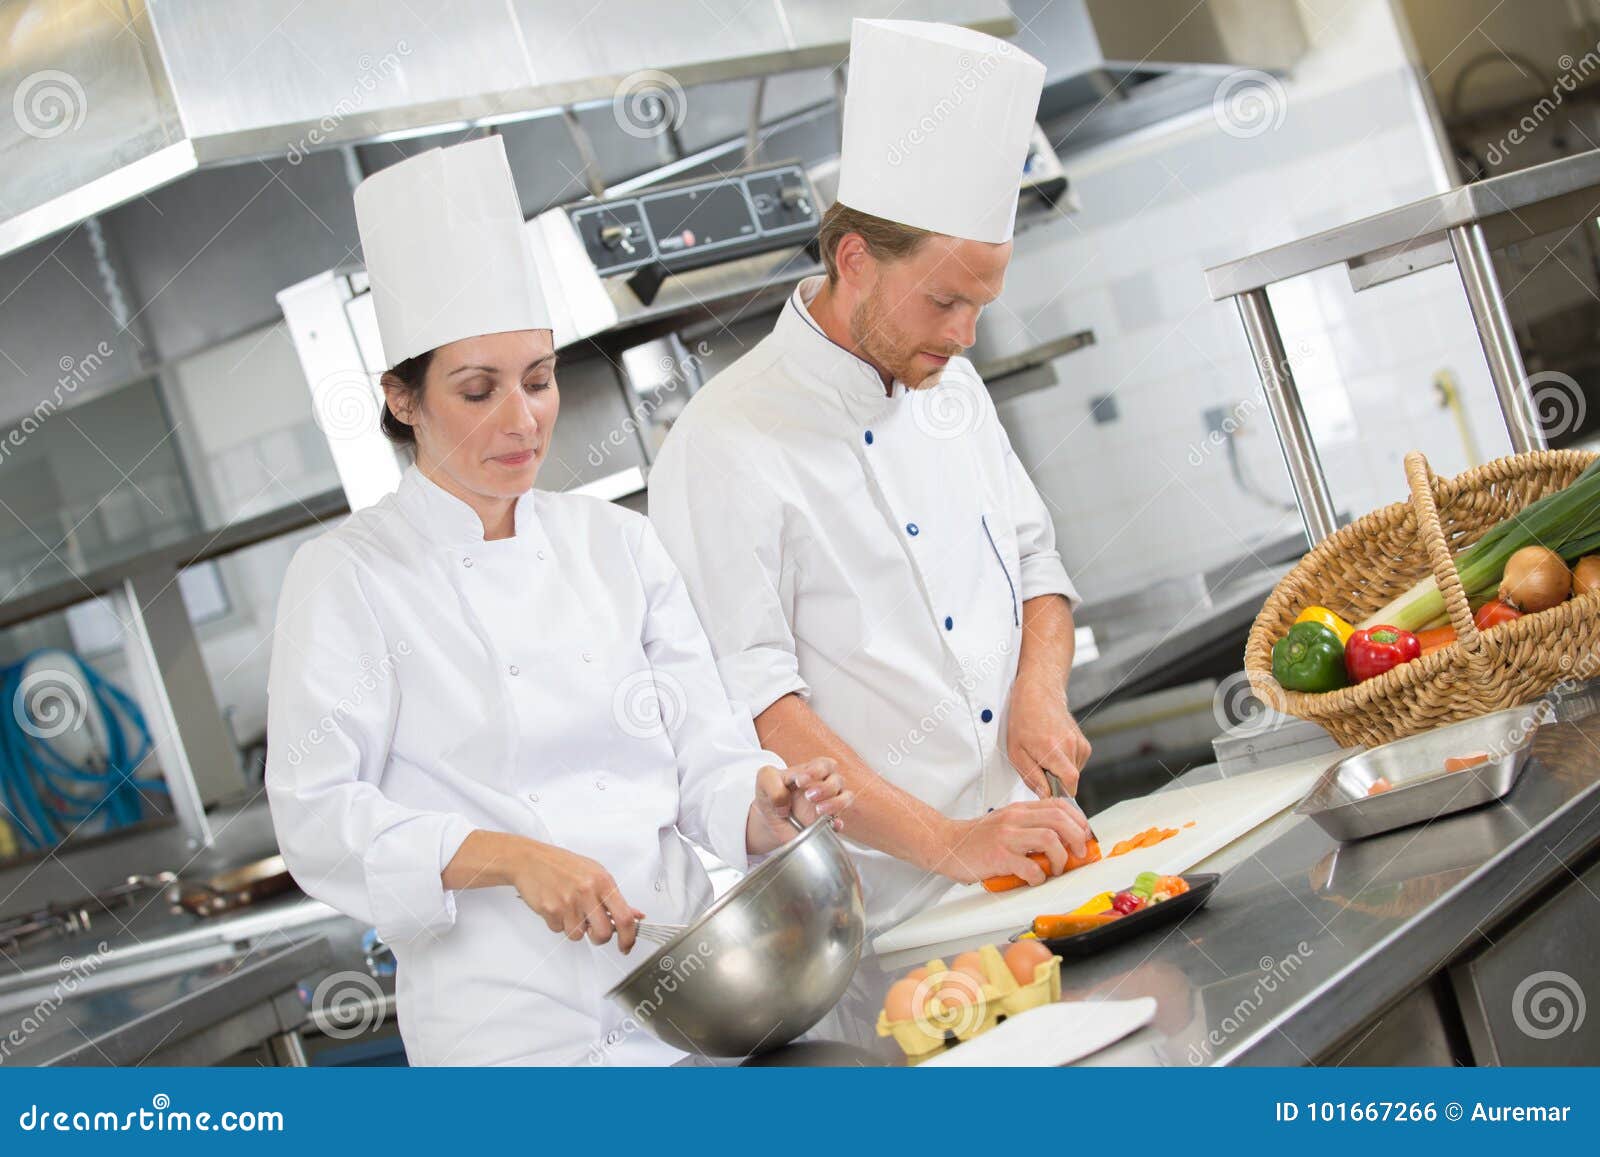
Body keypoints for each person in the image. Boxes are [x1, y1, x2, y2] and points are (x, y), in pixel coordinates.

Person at [265, 137, 848, 1066]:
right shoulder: (349, 576)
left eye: (538, 379)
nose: (522, 417)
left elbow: (706, 757)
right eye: (476, 389)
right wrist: (508, 855)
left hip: (689, 1004)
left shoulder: (616, 542)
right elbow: (316, 816)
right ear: (402, 399)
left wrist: (765, 801)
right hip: (507, 1036)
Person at [647, 19, 1089, 937]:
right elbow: (759, 707)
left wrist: (1038, 696)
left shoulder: (954, 386)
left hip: (1036, 866)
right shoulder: (724, 441)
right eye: (945, 299)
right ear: (854, 260)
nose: (966, 335)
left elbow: (1039, 569)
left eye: (982, 304)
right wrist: (948, 840)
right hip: (884, 923)